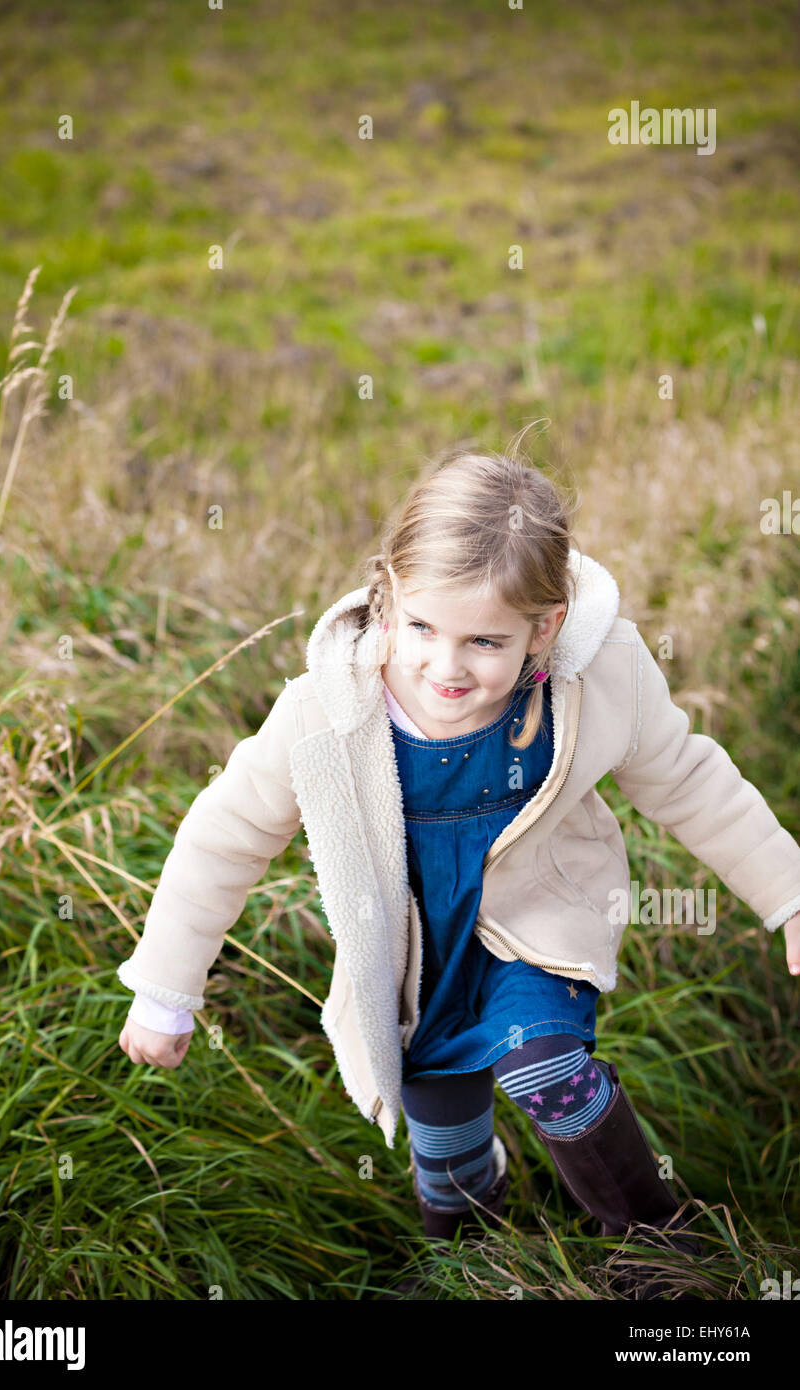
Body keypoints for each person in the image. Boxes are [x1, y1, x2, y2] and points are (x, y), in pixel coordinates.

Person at [117, 444, 800, 1300]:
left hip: (532, 928)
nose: (447, 668)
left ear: (543, 629)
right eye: (422, 630)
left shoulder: (596, 677)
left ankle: (659, 1245)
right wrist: (168, 986)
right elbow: (226, 837)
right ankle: (476, 1256)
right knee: (446, 1158)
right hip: (413, 965)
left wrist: (789, 894)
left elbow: (690, 778)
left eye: (485, 641)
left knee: (548, 1072)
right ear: (387, 598)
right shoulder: (329, 712)